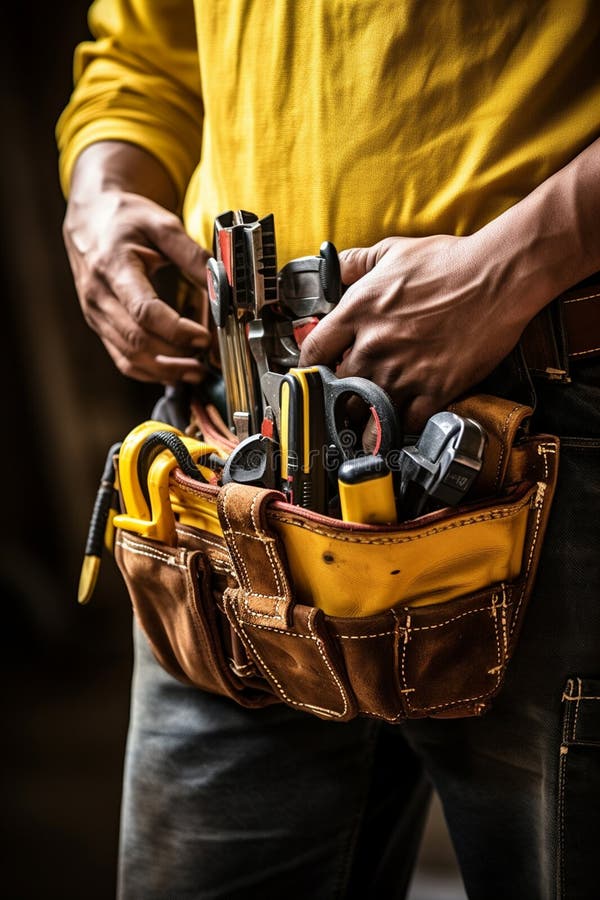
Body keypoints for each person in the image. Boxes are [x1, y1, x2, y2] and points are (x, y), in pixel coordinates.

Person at [57, 2, 600, 897]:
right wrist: (102, 190)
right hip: (234, 466)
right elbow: (142, 54)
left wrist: (514, 265)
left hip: (545, 438)